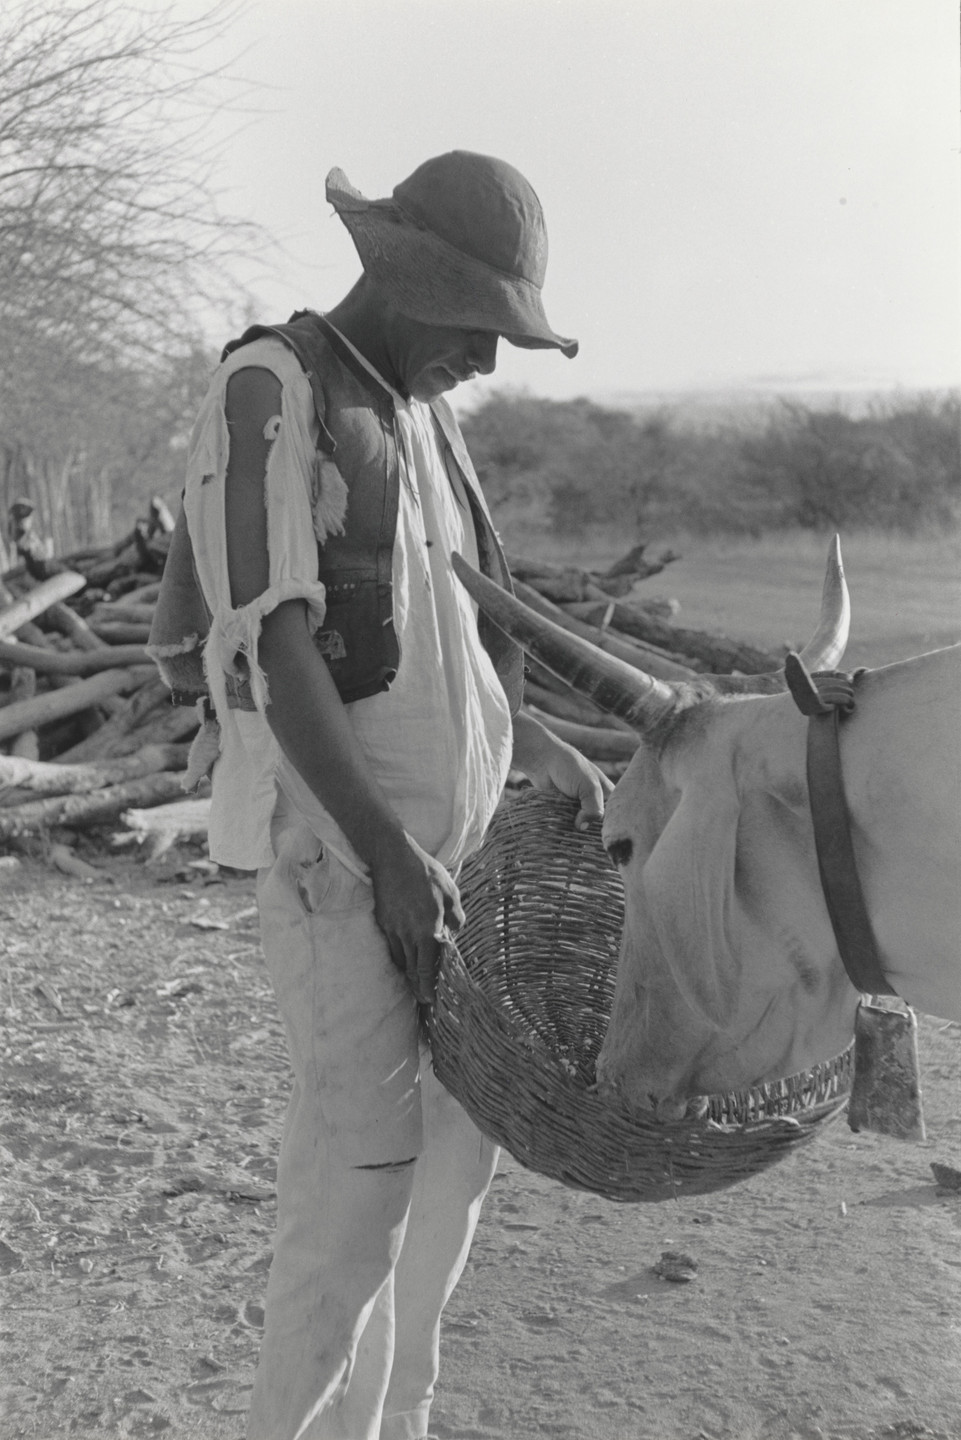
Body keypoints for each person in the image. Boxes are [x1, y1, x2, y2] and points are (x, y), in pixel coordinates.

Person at [149, 150, 610, 1440]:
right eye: (481, 327)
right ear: (409, 286)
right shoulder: (272, 387)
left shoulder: (420, 417)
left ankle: (394, 1425)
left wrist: (536, 755)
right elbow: (273, 642)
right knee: (354, 1187)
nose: (491, 361)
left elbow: (455, 635)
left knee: (455, 1173)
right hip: (342, 866)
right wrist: (387, 851)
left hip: (444, 867)